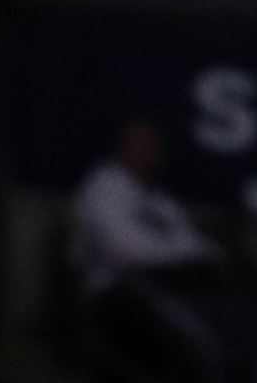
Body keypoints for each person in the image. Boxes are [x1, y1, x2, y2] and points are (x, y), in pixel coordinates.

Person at [69, 118, 219, 298]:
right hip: (111, 291)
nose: (149, 150)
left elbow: (194, 240)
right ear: (123, 146)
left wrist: (191, 252)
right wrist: (186, 253)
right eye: (141, 143)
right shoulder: (103, 185)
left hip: (166, 284)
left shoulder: (157, 197)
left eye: (153, 145)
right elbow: (127, 250)